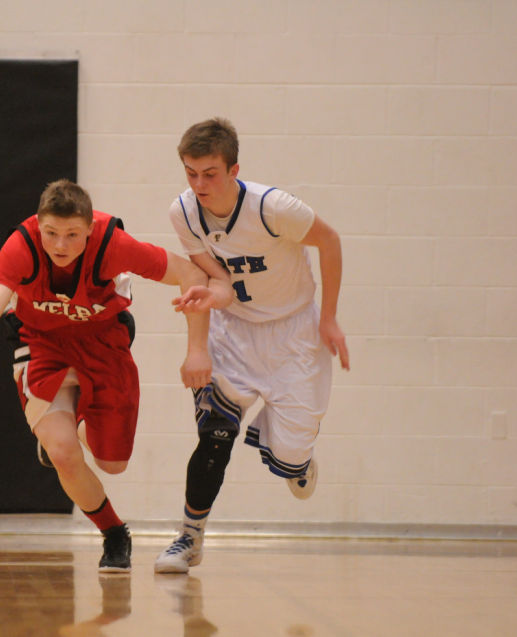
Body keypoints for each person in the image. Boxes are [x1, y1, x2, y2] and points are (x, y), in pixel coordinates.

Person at [0, 179, 230, 573]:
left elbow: (191, 274)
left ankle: (72, 422)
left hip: (103, 343)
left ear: (90, 230)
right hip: (41, 344)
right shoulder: (21, 247)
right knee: (64, 453)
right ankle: (114, 533)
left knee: (112, 464)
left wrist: (197, 349)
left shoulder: (114, 245)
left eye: (72, 235)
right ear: (39, 225)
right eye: (51, 233)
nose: (60, 245)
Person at [155, 117, 351, 574]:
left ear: (233, 170)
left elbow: (330, 241)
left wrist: (328, 317)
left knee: (290, 460)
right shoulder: (183, 212)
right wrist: (208, 309)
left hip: (294, 332)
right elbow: (220, 283)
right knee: (215, 434)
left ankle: (296, 460)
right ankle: (189, 537)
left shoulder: (273, 208)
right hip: (235, 330)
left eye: (209, 173)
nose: (199, 184)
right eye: (190, 173)